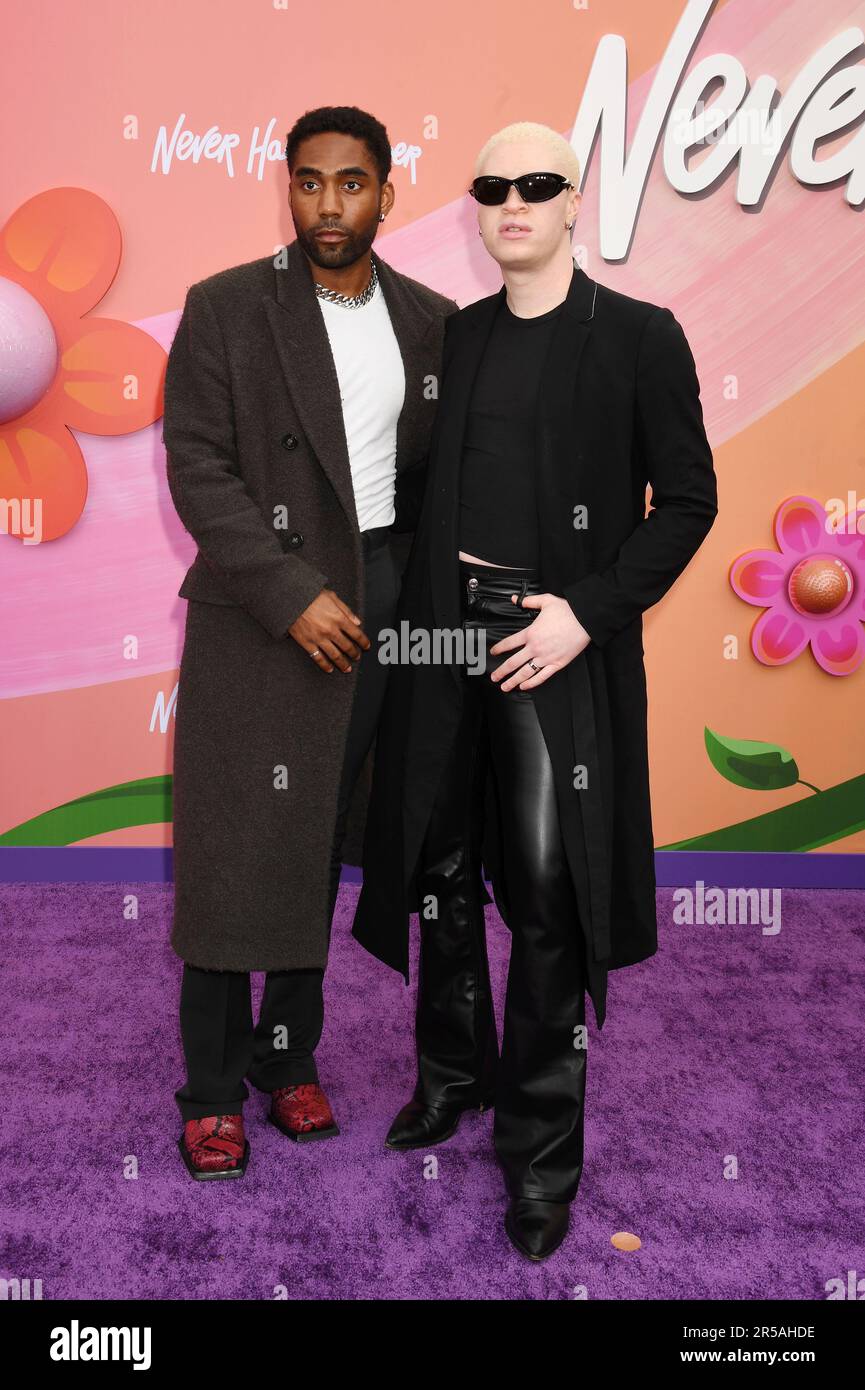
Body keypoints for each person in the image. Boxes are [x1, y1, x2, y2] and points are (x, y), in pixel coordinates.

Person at [352, 121, 718, 1258]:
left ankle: (540, 1150)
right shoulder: (456, 337)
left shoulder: (639, 337)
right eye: (491, 186)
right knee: (437, 860)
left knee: (552, 891)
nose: (512, 200)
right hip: (440, 636)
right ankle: (450, 1077)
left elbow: (689, 502)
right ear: (476, 207)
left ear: (572, 200)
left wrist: (581, 613)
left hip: (549, 639)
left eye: (536, 183)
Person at [163, 105, 458, 1179]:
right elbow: (198, 467)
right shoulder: (229, 307)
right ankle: (208, 1088)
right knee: (234, 840)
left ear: (388, 191)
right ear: (287, 189)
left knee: (319, 837)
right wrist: (292, 591)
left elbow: (436, 483)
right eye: (308, 183)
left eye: (350, 184)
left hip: (380, 599)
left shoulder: (431, 320)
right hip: (261, 611)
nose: (327, 204)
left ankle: (286, 1058)